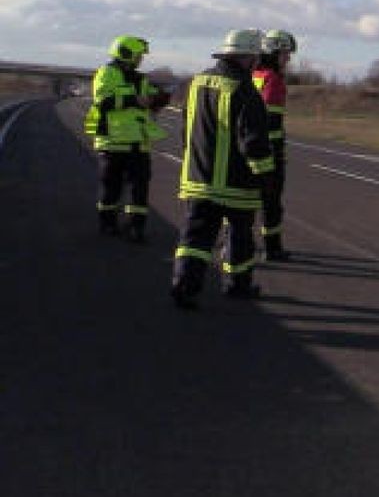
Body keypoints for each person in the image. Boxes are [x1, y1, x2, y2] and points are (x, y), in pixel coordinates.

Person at [170, 29, 278, 309]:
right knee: (240, 236)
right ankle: (237, 285)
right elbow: (253, 143)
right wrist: (266, 178)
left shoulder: (197, 83)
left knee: (194, 237)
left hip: (198, 179)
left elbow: (187, 129)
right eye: (255, 57)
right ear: (249, 57)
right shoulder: (243, 89)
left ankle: (184, 285)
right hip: (235, 185)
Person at [83, 35, 169, 242]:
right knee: (111, 188)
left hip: (138, 144)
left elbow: (151, 97)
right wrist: (134, 100)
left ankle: (136, 228)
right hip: (112, 143)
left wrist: (160, 97)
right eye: (138, 55)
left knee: (140, 190)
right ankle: (107, 223)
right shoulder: (107, 73)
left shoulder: (140, 78)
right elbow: (103, 101)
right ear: (126, 53)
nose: (141, 59)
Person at [253, 29, 298, 260]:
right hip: (267, 154)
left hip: (245, 149)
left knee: (244, 202)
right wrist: (275, 154)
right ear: (272, 53)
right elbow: (271, 122)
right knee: (271, 203)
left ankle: (235, 246)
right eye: (284, 53)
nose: (288, 59)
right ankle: (272, 248)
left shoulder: (252, 74)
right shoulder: (273, 80)